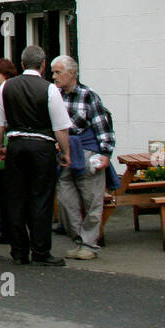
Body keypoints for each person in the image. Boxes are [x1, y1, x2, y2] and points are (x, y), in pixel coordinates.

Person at [0, 45, 72, 266]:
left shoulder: (7, 87)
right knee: (41, 198)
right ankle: (41, 251)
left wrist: (0, 146)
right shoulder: (49, 89)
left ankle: (19, 251)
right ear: (43, 65)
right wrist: (65, 152)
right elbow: (61, 127)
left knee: (16, 198)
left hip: (16, 144)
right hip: (42, 147)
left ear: (22, 64)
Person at [51, 55, 116, 261]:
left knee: (92, 201)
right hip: (64, 154)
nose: (54, 77)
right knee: (65, 200)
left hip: (87, 153)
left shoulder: (89, 96)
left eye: (58, 72)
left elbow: (102, 126)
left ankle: (89, 245)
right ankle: (79, 240)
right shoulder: (55, 96)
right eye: (53, 72)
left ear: (72, 73)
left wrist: (105, 153)